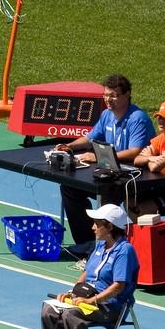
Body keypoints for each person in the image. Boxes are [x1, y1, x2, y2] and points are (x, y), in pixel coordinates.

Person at [41, 203, 139, 329]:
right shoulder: (100, 245)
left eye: (97, 224)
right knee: (49, 310)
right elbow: (86, 273)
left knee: (71, 315)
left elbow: (118, 286)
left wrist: (91, 301)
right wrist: (72, 292)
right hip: (87, 299)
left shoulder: (125, 251)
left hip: (110, 306)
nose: (93, 227)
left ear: (110, 226)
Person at [53, 74, 151, 254]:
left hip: (134, 178)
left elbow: (135, 151)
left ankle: (106, 247)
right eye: (106, 95)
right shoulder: (107, 115)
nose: (108, 100)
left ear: (127, 95)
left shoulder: (137, 118)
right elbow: (90, 138)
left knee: (106, 196)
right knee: (70, 188)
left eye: (113, 96)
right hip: (112, 174)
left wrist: (99, 159)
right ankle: (87, 242)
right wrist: (70, 146)